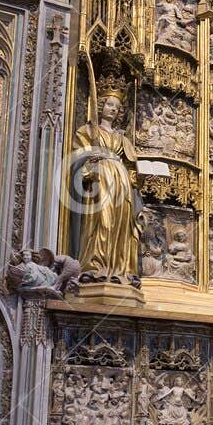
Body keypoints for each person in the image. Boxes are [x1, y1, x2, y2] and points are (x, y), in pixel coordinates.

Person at [67, 82, 143, 283]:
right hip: (100, 181)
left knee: (121, 226)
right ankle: (95, 265)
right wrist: (89, 162)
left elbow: (131, 167)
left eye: (117, 108)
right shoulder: (88, 132)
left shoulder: (122, 139)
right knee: (103, 222)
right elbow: (76, 160)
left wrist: (141, 178)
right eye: (109, 105)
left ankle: (120, 268)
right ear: (100, 105)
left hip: (121, 184)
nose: (113, 109)